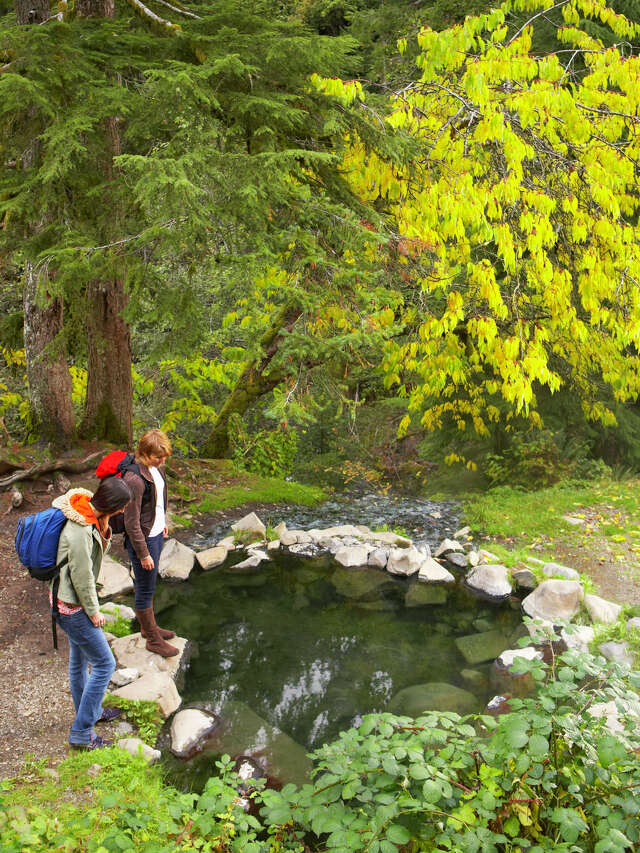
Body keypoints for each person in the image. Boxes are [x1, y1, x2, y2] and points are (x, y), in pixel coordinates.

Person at [51, 477, 133, 750]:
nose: (123, 511)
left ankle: (91, 712)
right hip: (72, 607)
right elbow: (82, 577)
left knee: (79, 660)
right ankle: (81, 733)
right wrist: (93, 611)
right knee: (105, 664)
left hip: (66, 601)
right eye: (122, 507)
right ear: (113, 504)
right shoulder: (80, 530)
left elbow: (93, 558)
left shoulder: (90, 514)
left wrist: (105, 527)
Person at [122, 429, 178, 658]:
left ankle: (148, 628)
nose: (162, 461)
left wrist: (162, 521)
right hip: (143, 540)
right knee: (145, 588)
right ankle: (153, 640)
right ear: (144, 453)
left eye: (164, 457)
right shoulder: (134, 479)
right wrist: (143, 553)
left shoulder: (157, 469)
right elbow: (131, 522)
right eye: (158, 457)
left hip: (155, 533)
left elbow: (157, 500)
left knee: (150, 584)